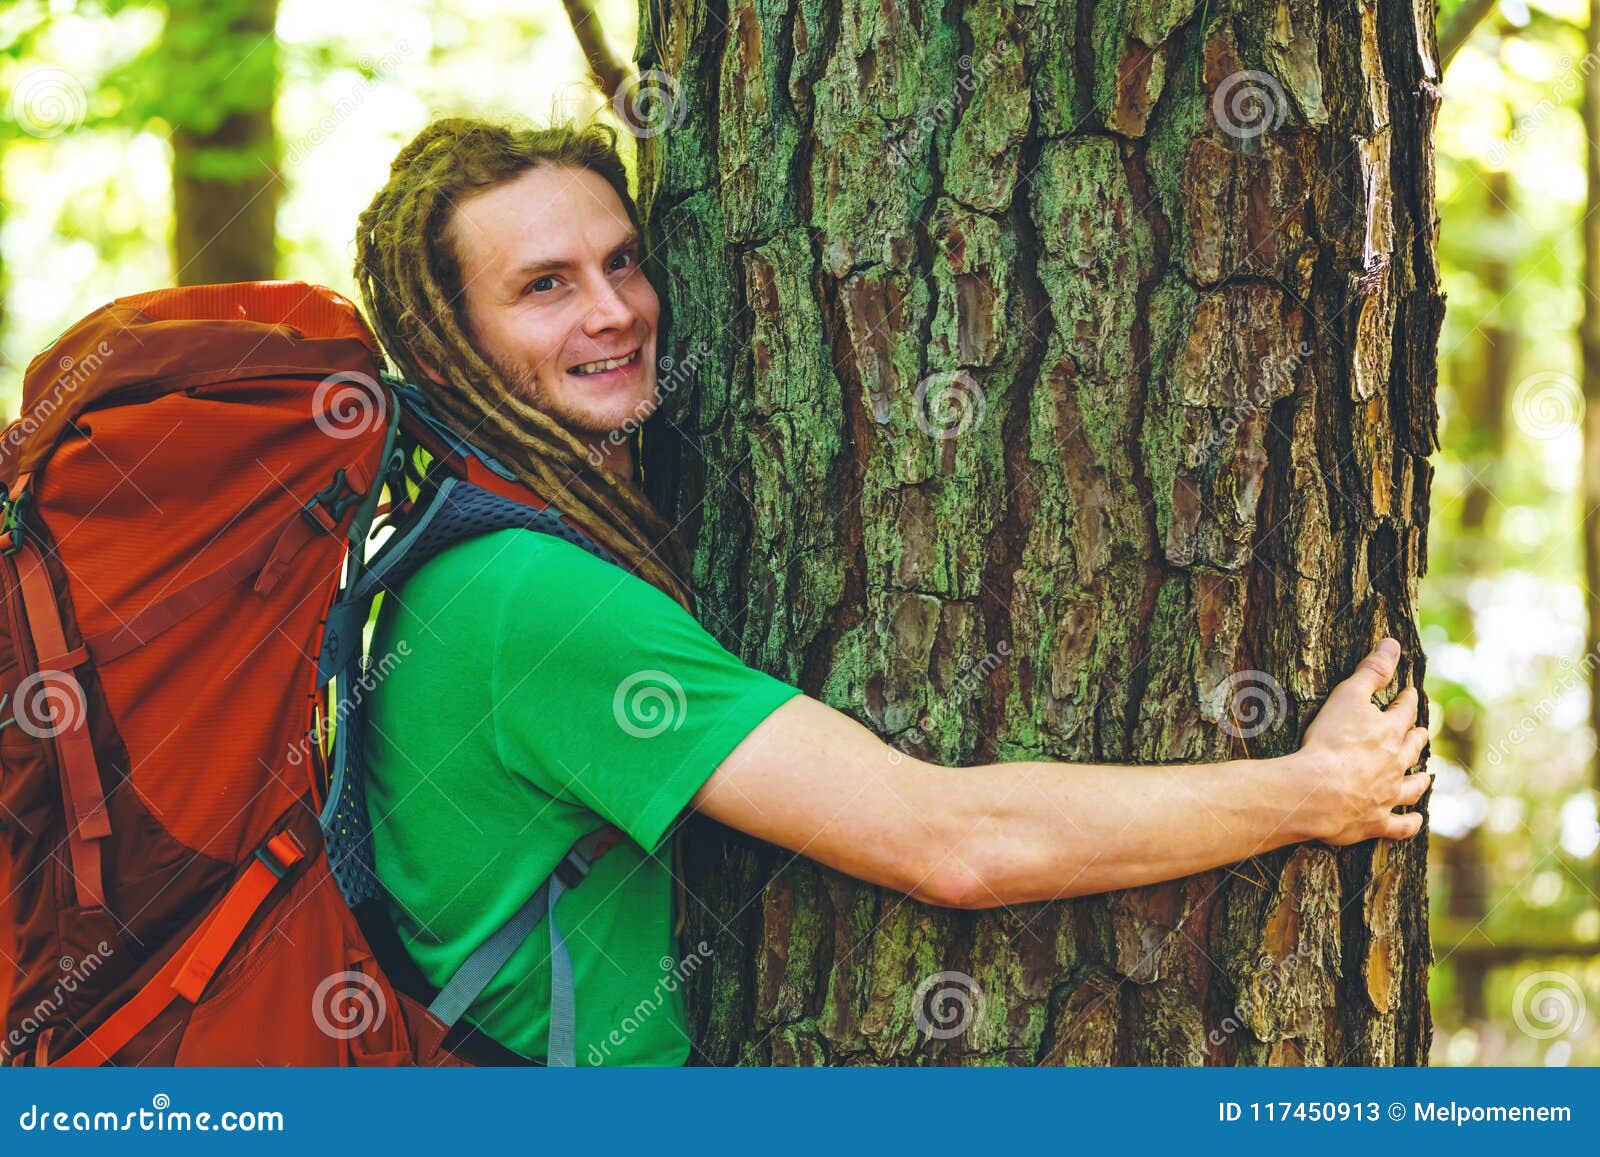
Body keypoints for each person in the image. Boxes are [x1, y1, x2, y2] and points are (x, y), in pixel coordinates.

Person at [352, 117, 1431, 1066]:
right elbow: (951, 843)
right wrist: (1311, 791)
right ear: (446, 350)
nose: (615, 311)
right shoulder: (531, 601)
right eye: (544, 285)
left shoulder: (481, 556)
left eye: (621, 261)